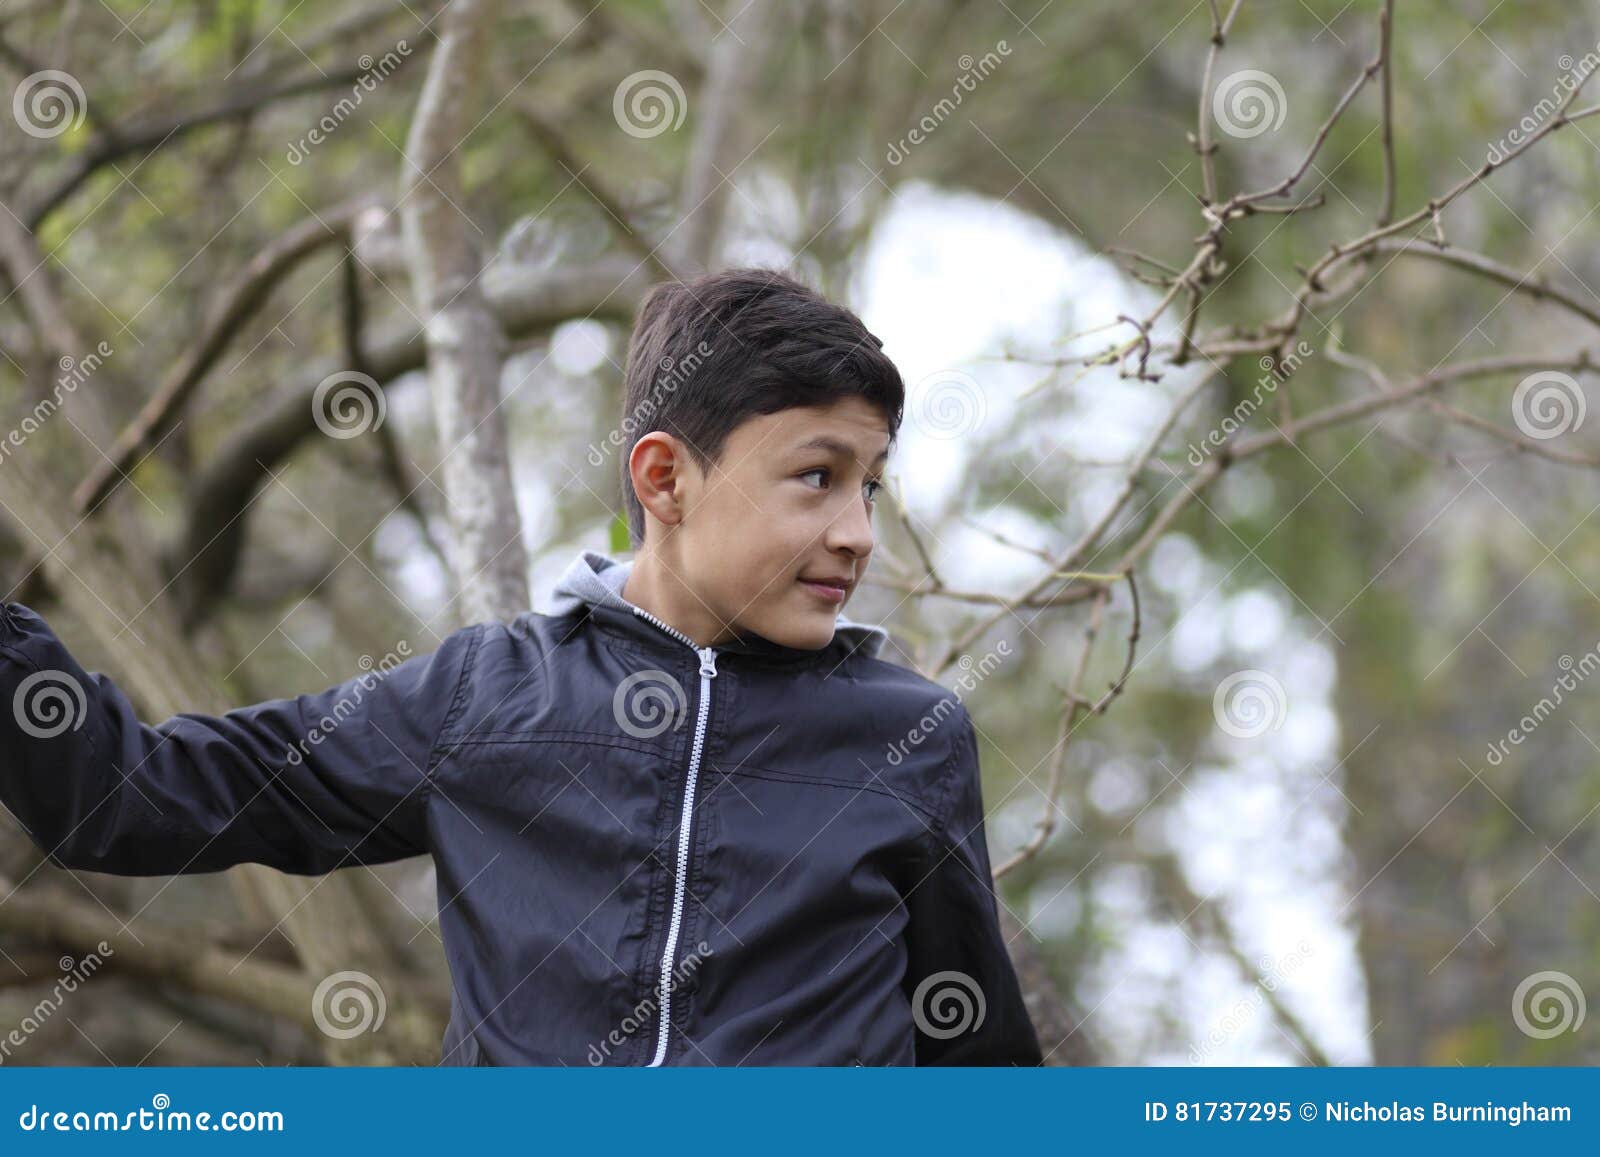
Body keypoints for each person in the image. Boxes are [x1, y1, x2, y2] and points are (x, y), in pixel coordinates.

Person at [0, 267, 1043, 1067]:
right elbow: (126, 798)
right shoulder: (486, 700)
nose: (858, 531)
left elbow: (981, 1067)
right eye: (818, 476)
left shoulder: (905, 736)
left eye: (870, 484)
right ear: (665, 477)